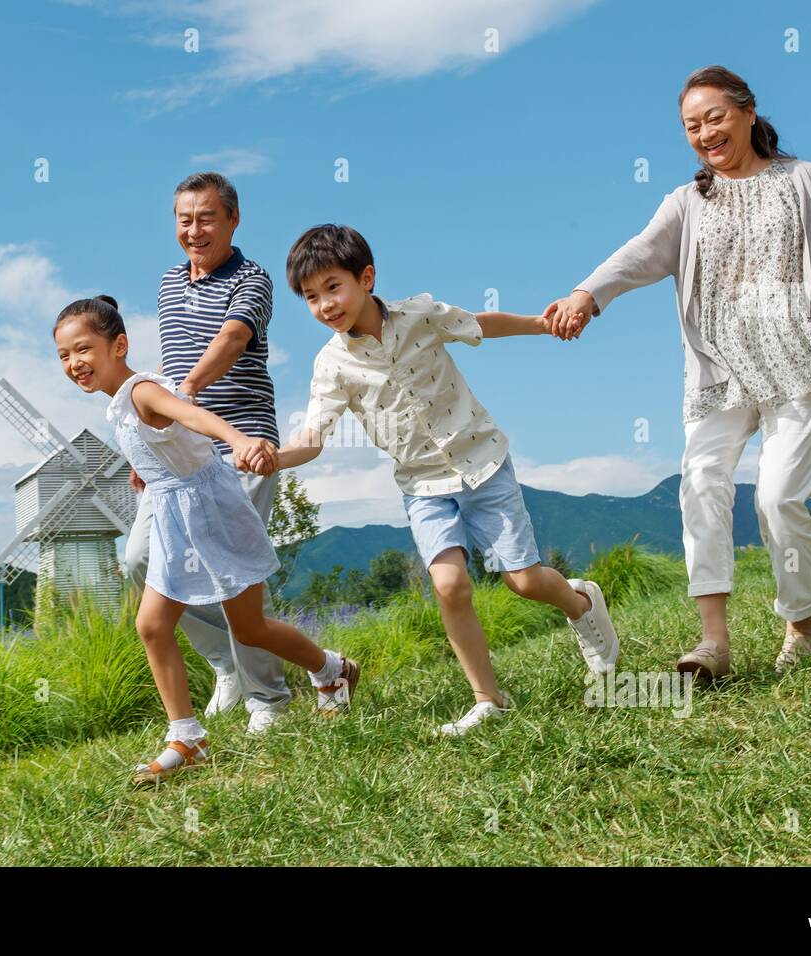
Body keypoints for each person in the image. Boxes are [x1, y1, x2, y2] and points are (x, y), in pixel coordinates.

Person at [543, 65, 811, 680]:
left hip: (798, 361)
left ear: (749, 113)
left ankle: (801, 628)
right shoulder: (685, 202)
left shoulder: (806, 182)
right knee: (700, 483)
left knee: (778, 497)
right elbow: (637, 254)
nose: (704, 133)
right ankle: (713, 642)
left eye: (715, 117)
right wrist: (587, 294)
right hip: (719, 368)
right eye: (690, 126)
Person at [273, 224, 620, 737]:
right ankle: (489, 700)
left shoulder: (420, 314)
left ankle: (581, 603)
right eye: (310, 297)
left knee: (522, 580)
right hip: (422, 485)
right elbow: (313, 437)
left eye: (333, 286)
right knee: (450, 585)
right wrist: (273, 459)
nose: (324, 304)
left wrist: (541, 324)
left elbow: (480, 324)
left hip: (483, 461)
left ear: (366, 278)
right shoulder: (332, 365)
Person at [55, 294, 360, 785]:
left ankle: (331, 668)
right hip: (176, 519)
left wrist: (238, 440)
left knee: (251, 629)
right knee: (152, 626)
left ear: (119, 346)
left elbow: (192, 414)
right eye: (65, 356)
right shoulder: (119, 405)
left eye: (83, 349)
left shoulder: (141, 390)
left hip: (213, 515)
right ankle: (187, 736)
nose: (75, 364)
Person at [122, 171, 294, 734]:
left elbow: (233, 339)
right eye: (184, 219)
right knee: (142, 559)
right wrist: (151, 443)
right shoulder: (170, 282)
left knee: (234, 577)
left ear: (233, 220)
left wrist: (188, 393)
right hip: (177, 450)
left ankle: (268, 698)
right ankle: (227, 665)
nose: (194, 230)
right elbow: (168, 367)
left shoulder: (253, 278)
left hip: (242, 440)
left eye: (207, 218)